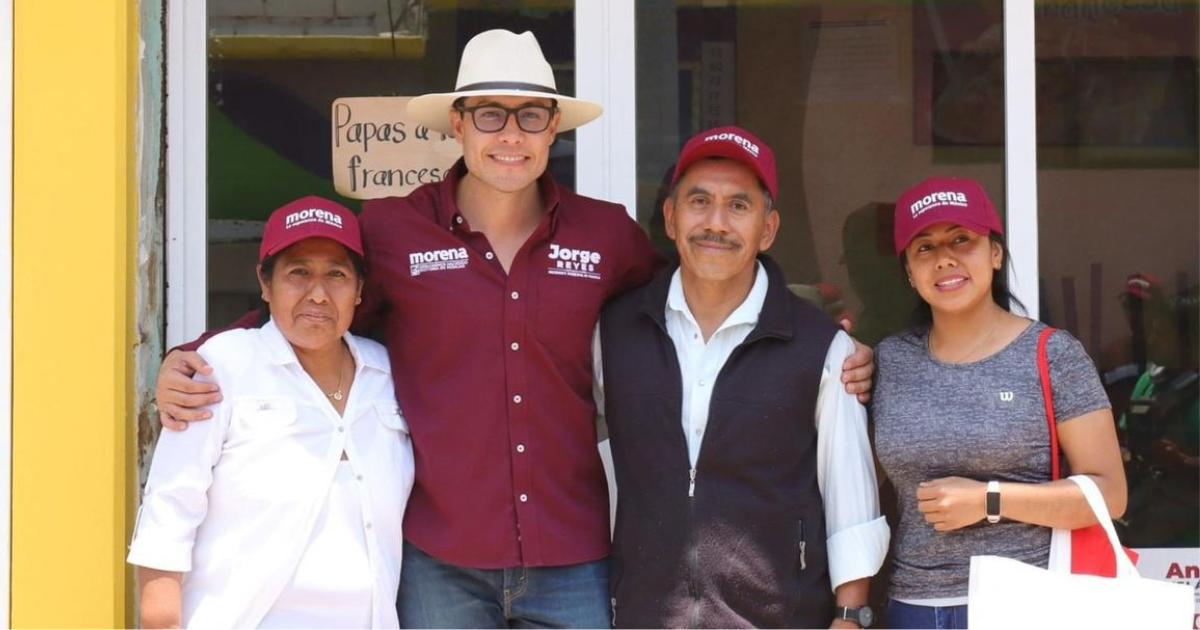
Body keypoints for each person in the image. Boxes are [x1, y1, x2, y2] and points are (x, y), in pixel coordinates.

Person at [153, 31, 876, 628]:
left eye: (531, 115)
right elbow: (313, 306)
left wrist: (826, 345)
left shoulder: (606, 237)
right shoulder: (395, 232)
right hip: (440, 558)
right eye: (490, 115)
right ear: (458, 124)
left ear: (553, 128)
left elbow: (704, 285)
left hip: (576, 559)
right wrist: (194, 357)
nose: (511, 135)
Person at [596, 127, 888, 629]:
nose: (716, 223)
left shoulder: (820, 345)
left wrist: (850, 615)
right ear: (670, 216)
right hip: (644, 614)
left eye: (738, 206)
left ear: (767, 229)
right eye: (699, 201)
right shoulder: (614, 334)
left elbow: (850, 492)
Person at [129, 197, 415, 629]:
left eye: (336, 274)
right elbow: (168, 514)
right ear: (265, 284)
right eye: (297, 272)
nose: (317, 293)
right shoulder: (221, 365)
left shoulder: (387, 373)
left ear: (359, 289)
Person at [872, 177, 1127, 629]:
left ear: (994, 254)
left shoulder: (1052, 354)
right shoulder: (889, 361)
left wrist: (990, 499)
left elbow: (1110, 494)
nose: (945, 257)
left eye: (962, 239)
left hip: (1026, 604)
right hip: (912, 606)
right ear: (909, 273)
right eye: (924, 247)